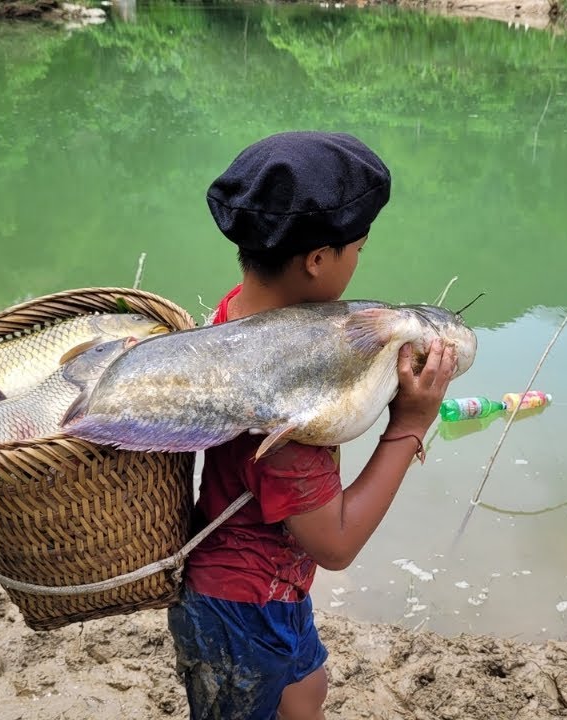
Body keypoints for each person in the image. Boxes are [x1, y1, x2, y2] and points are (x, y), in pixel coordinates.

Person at [166, 131, 458, 720]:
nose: (359, 262)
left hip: (267, 589)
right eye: (357, 249)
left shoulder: (244, 315)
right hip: (240, 604)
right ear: (318, 260)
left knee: (307, 691)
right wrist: (410, 421)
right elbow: (336, 542)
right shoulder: (284, 407)